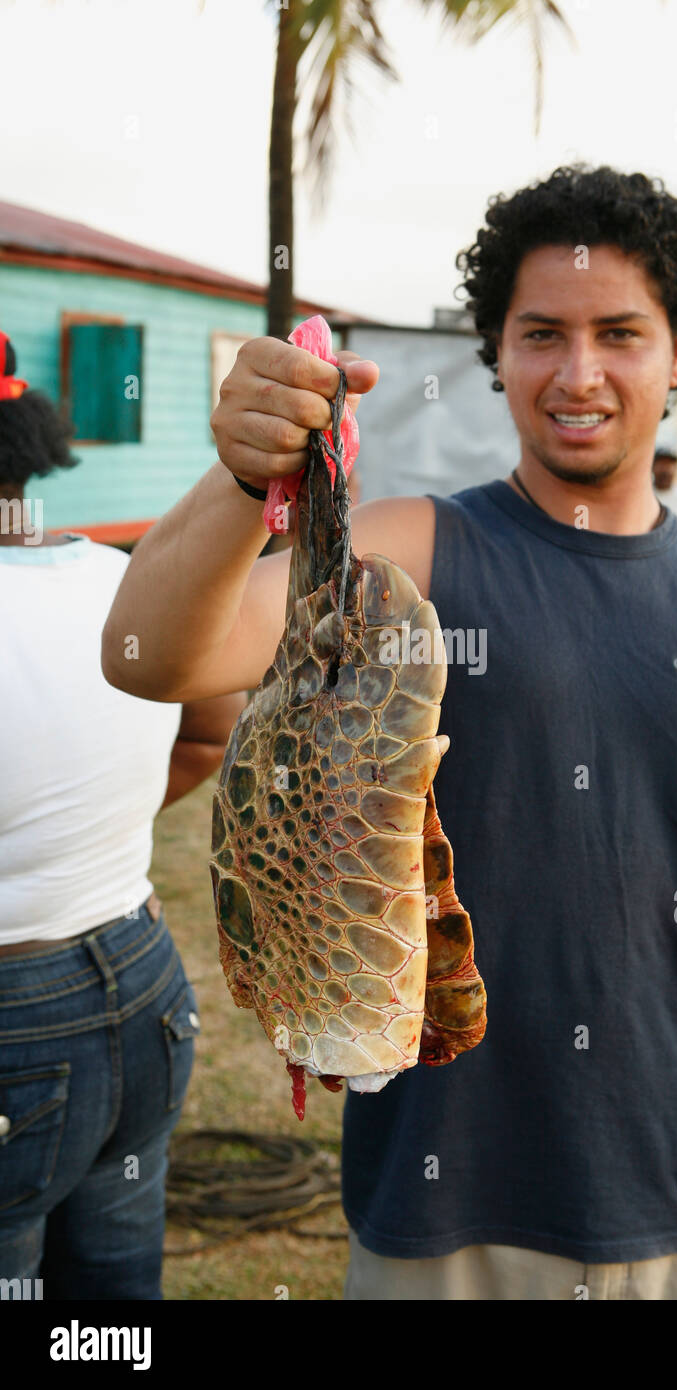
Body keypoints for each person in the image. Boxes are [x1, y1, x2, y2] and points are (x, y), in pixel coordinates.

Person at [103, 164, 677, 1302]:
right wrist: (237, 477)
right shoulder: (413, 555)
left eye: (619, 333)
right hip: (444, 1210)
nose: (577, 373)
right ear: (496, 354)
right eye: (539, 334)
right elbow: (151, 656)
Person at [0, 337, 246, 1299]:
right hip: (140, 978)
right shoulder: (121, 581)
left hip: (16, 1016)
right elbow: (206, 737)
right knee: (113, 1294)